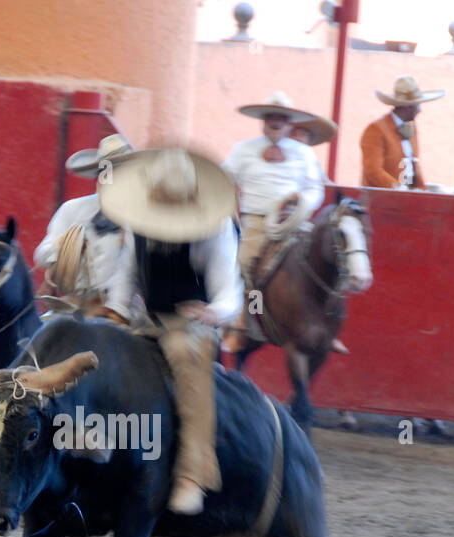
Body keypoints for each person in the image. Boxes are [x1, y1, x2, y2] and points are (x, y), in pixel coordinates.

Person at [100, 149, 243, 515]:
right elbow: (127, 273)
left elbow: (230, 292)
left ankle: (191, 475)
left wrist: (213, 312)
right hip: (145, 318)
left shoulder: (215, 229)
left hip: (192, 322)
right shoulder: (138, 223)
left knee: (186, 355)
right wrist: (113, 314)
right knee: (97, 353)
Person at [221, 92, 326, 352]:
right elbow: (223, 179)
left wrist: (301, 201)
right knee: (243, 266)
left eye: (282, 118)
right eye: (272, 117)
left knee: (325, 262)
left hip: (294, 223)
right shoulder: (243, 149)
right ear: (263, 120)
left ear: (290, 123)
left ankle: (324, 326)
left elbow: (315, 188)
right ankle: (243, 325)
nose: (276, 121)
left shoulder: (303, 153)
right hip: (256, 222)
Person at [33, 134, 137, 323]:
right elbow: (42, 253)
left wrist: (117, 309)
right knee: (37, 342)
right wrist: (67, 248)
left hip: (123, 310)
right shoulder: (73, 209)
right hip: (74, 305)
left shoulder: (142, 219)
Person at [360, 76, 445, 190]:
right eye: (417, 105)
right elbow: (373, 171)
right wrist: (398, 189)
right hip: (380, 201)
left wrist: (423, 192)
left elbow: (414, 166)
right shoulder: (376, 130)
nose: (420, 110)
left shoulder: (411, 128)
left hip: (405, 199)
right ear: (407, 107)